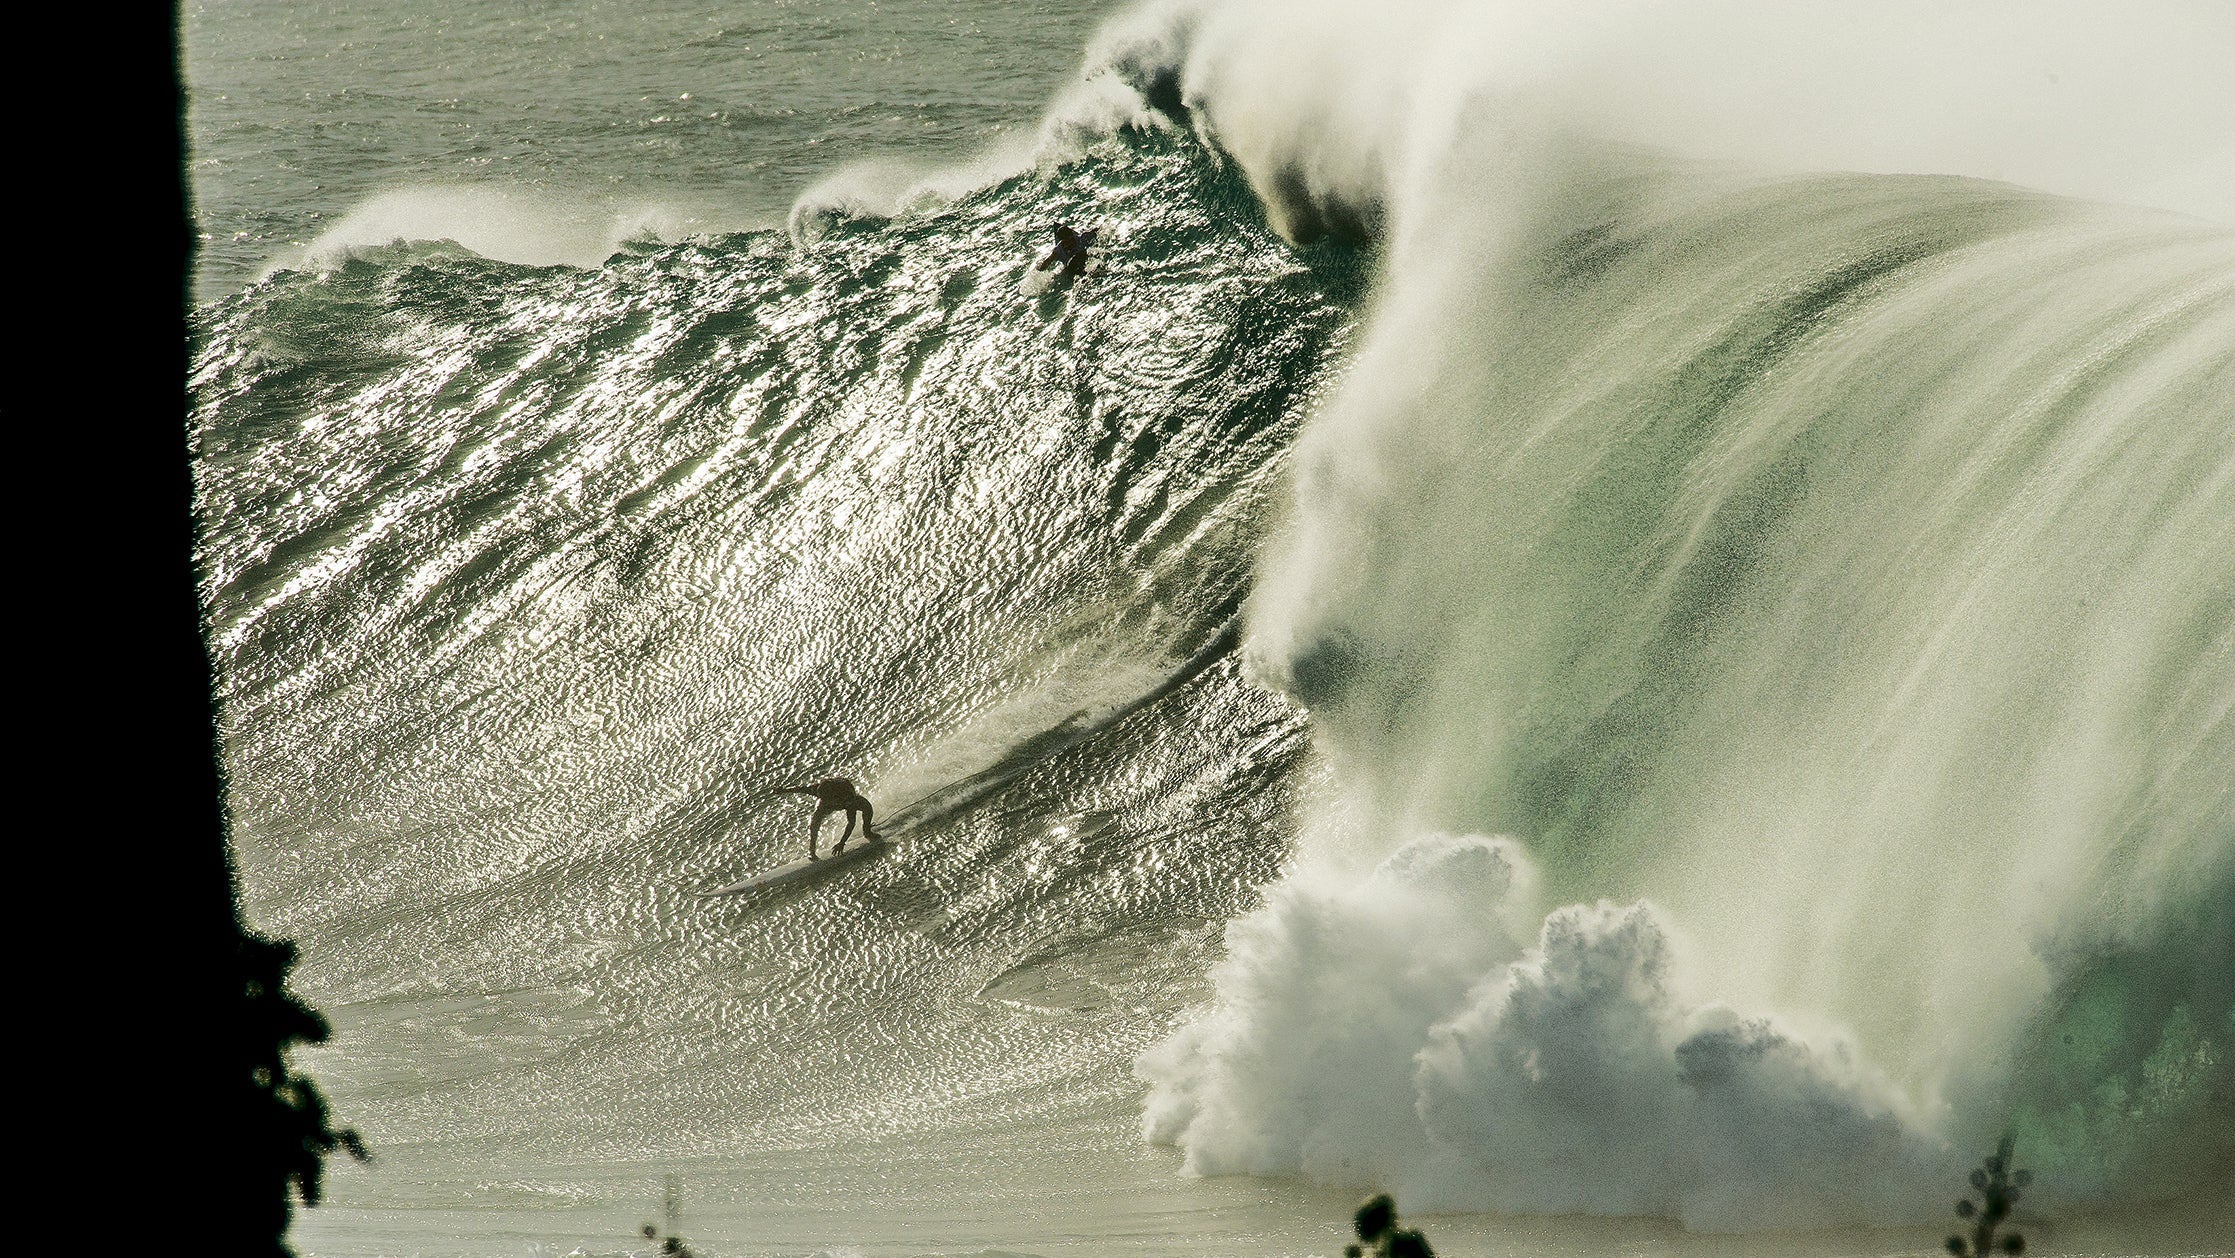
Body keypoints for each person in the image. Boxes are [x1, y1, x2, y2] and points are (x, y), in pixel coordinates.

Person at [774, 777, 879, 859]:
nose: (824, 800)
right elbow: (801, 789)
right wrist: (783, 791)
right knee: (815, 822)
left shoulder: (847, 794)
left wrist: (842, 843)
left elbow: (851, 822)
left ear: (833, 795)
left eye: (826, 799)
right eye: (822, 798)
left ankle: (867, 832)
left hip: (846, 801)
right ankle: (812, 851)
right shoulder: (819, 790)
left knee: (867, 807)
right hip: (833, 802)